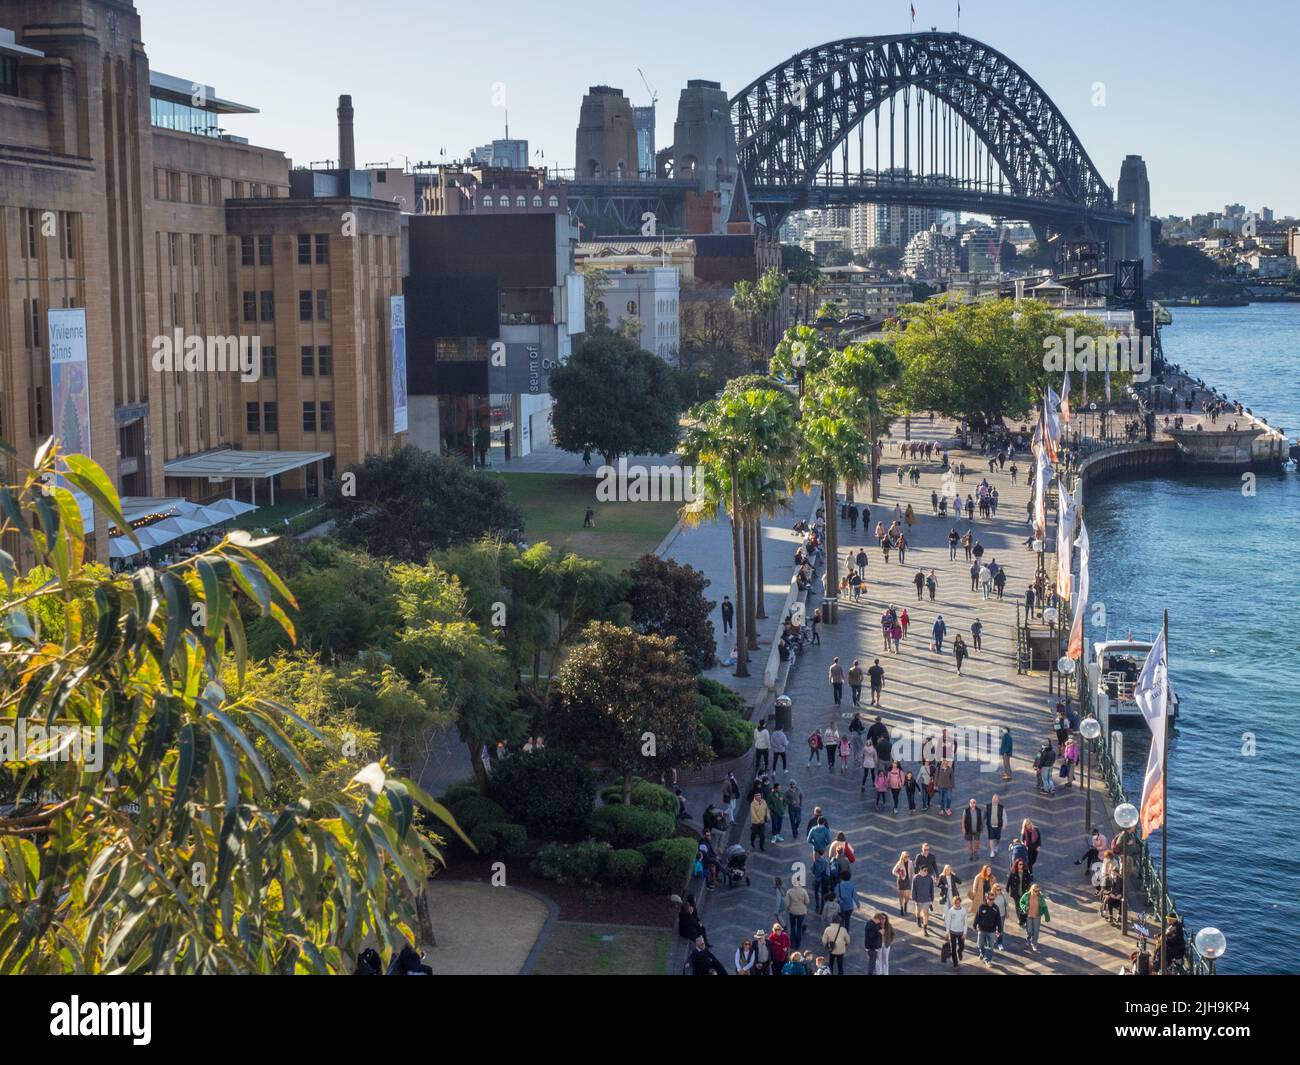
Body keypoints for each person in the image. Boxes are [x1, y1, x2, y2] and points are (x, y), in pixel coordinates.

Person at [1019, 884, 1050, 953]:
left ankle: (1034, 944)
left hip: (1037, 916)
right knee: (1029, 930)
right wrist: (1024, 907)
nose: (1037, 892)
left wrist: (1047, 917)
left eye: (1038, 891)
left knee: (1036, 931)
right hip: (1029, 915)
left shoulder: (1040, 897)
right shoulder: (1027, 895)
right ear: (1032, 890)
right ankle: (1029, 938)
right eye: (1035, 891)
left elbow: (1044, 907)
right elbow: (1021, 902)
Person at [974, 892, 1002, 965]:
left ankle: (988, 960)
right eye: (989, 899)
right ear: (986, 898)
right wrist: (974, 925)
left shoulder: (996, 908)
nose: (991, 901)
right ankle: (982, 953)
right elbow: (977, 917)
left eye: (992, 899)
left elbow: (998, 920)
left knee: (990, 947)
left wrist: (999, 930)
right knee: (980, 944)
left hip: (991, 931)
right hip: (982, 929)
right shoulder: (981, 906)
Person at [1007, 859, 1033, 927]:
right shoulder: (1013, 872)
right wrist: (1007, 889)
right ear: (1017, 865)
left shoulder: (1026, 871)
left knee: (1024, 907)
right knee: (1018, 907)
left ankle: (1024, 919)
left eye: (1022, 864)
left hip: (1024, 892)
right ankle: (1020, 919)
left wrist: (1029, 888)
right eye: (1020, 864)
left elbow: (1029, 879)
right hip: (1016, 892)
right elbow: (1009, 881)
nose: (1021, 866)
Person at [785, 878, 810, 951]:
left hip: (792, 911)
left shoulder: (789, 891)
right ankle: (797, 945)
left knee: (792, 927)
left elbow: (787, 903)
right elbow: (807, 902)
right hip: (801, 912)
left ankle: (792, 944)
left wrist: (789, 908)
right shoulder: (803, 891)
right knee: (799, 928)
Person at [912, 862, 935, 935]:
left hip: (927, 899)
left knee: (926, 913)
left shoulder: (929, 878)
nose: (926, 872)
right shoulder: (916, 878)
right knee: (918, 912)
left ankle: (925, 929)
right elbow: (913, 889)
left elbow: (932, 889)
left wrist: (932, 899)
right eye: (925, 870)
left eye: (927, 870)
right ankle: (918, 919)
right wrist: (914, 898)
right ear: (920, 870)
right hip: (918, 899)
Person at [943, 896, 968, 969]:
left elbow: (965, 922)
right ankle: (955, 963)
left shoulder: (963, 910)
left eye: (959, 903)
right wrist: (947, 932)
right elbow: (948, 922)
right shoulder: (950, 911)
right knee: (953, 948)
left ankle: (959, 952)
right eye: (956, 903)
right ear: (953, 903)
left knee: (962, 946)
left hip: (961, 932)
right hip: (953, 932)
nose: (958, 904)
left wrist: (965, 933)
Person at [892, 850, 913, 915]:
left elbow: (912, 870)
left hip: (907, 880)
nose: (907, 858)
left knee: (908, 895)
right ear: (903, 857)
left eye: (908, 856)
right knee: (901, 895)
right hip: (901, 880)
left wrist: (914, 876)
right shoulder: (899, 863)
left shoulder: (910, 862)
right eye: (906, 857)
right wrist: (899, 875)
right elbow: (893, 871)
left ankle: (905, 903)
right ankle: (901, 908)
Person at [986, 794, 1007, 859]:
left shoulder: (1001, 807)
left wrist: (1004, 824)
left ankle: (996, 846)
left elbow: (1004, 816)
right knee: (991, 838)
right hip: (990, 826)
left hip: (998, 826)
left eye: (995, 799)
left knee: (997, 838)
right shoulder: (988, 806)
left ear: (998, 800)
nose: (994, 800)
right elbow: (985, 814)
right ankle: (992, 851)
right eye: (993, 799)